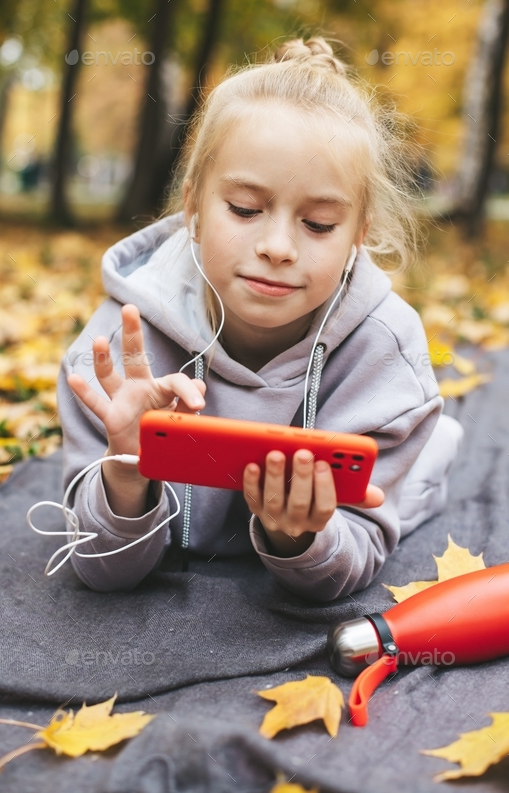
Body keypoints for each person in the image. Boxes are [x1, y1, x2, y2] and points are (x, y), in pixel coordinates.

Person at [57, 37, 463, 600]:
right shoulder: (113, 350)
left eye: (318, 224)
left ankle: (434, 447)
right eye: (246, 210)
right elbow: (100, 571)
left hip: (383, 476)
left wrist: (299, 539)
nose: (277, 247)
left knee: (423, 468)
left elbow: (345, 569)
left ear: (359, 233)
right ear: (194, 208)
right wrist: (125, 473)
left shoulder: (387, 355)